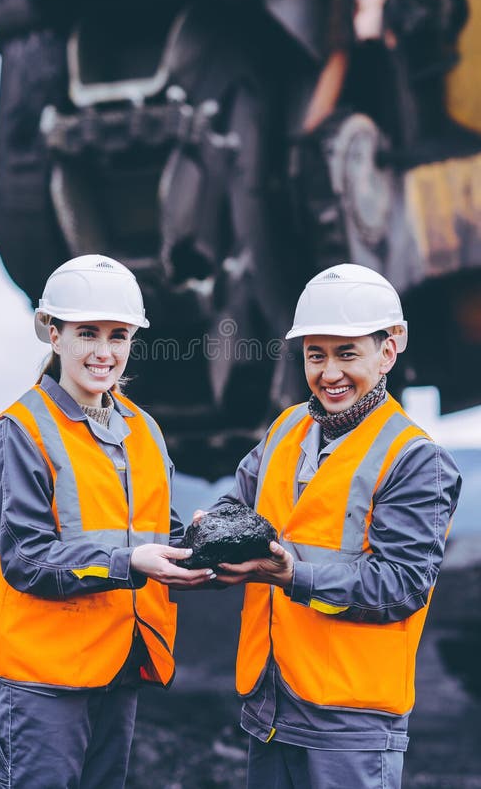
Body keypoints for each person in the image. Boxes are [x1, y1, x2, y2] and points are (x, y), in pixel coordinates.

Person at [195, 263, 461, 789]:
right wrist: (212, 532)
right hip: (270, 708)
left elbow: (401, 586)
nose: (329, 372)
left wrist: (292, 574)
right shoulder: (287, 428)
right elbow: (239, 502)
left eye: (347, 353)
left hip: (350, 722)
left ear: (388, 351)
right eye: (316, 354)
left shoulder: (415, 460)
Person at [0, 254, 213, 789]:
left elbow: (157, 532)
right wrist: (130, 562)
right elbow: (27, 561)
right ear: (53, 335)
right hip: (42, 683)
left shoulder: (142, 429)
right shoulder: (21, 433)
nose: (104, 353)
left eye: (118, 336)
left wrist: (204, 542)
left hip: (117, 668)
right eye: (87, 333)